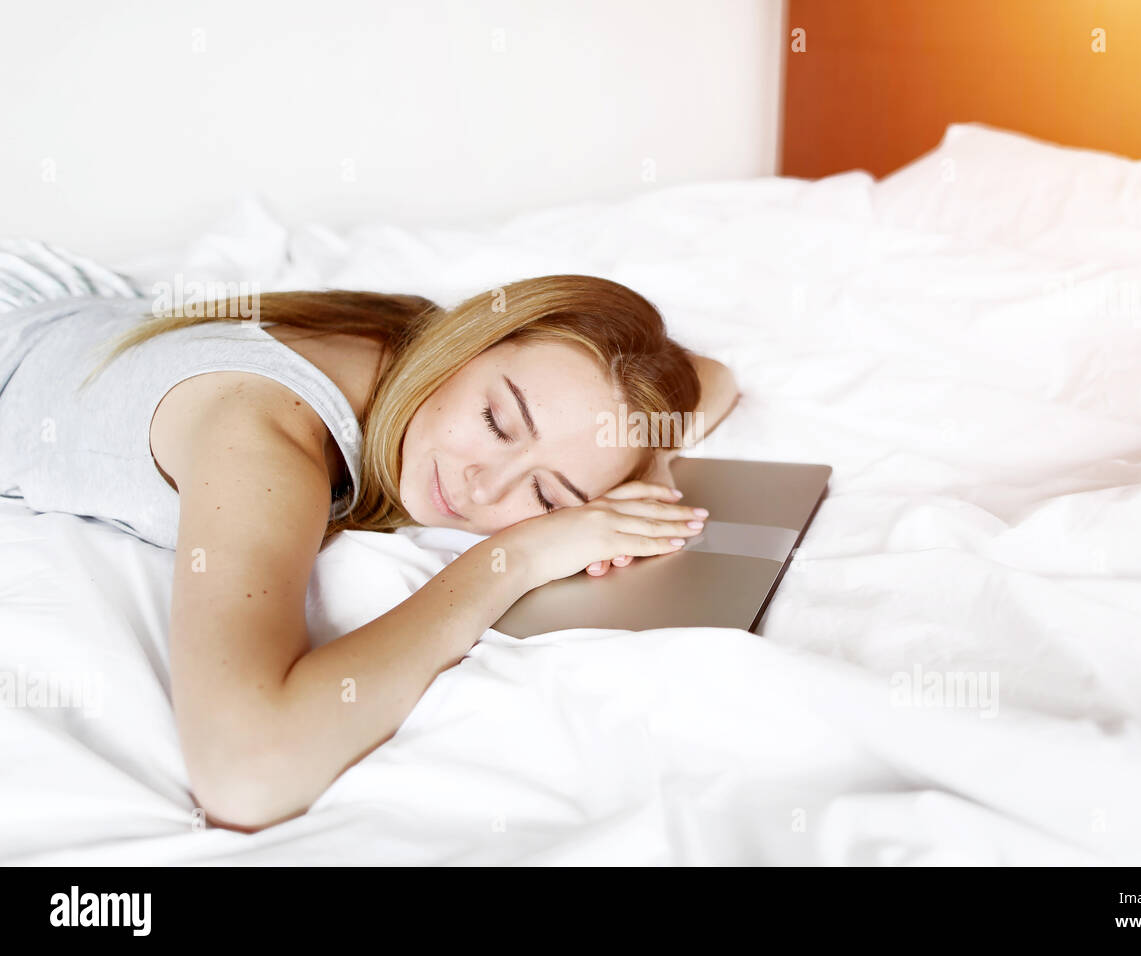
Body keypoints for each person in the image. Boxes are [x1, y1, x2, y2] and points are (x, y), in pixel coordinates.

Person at [0, 272, 741, 832]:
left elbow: (711, 379)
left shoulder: (416, 353)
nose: (485, 488)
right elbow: (245, 774)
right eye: (496, 419)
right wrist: (518, 554)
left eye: (546, 494)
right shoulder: (265, 437)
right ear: (468, 344)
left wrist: (632, 478)